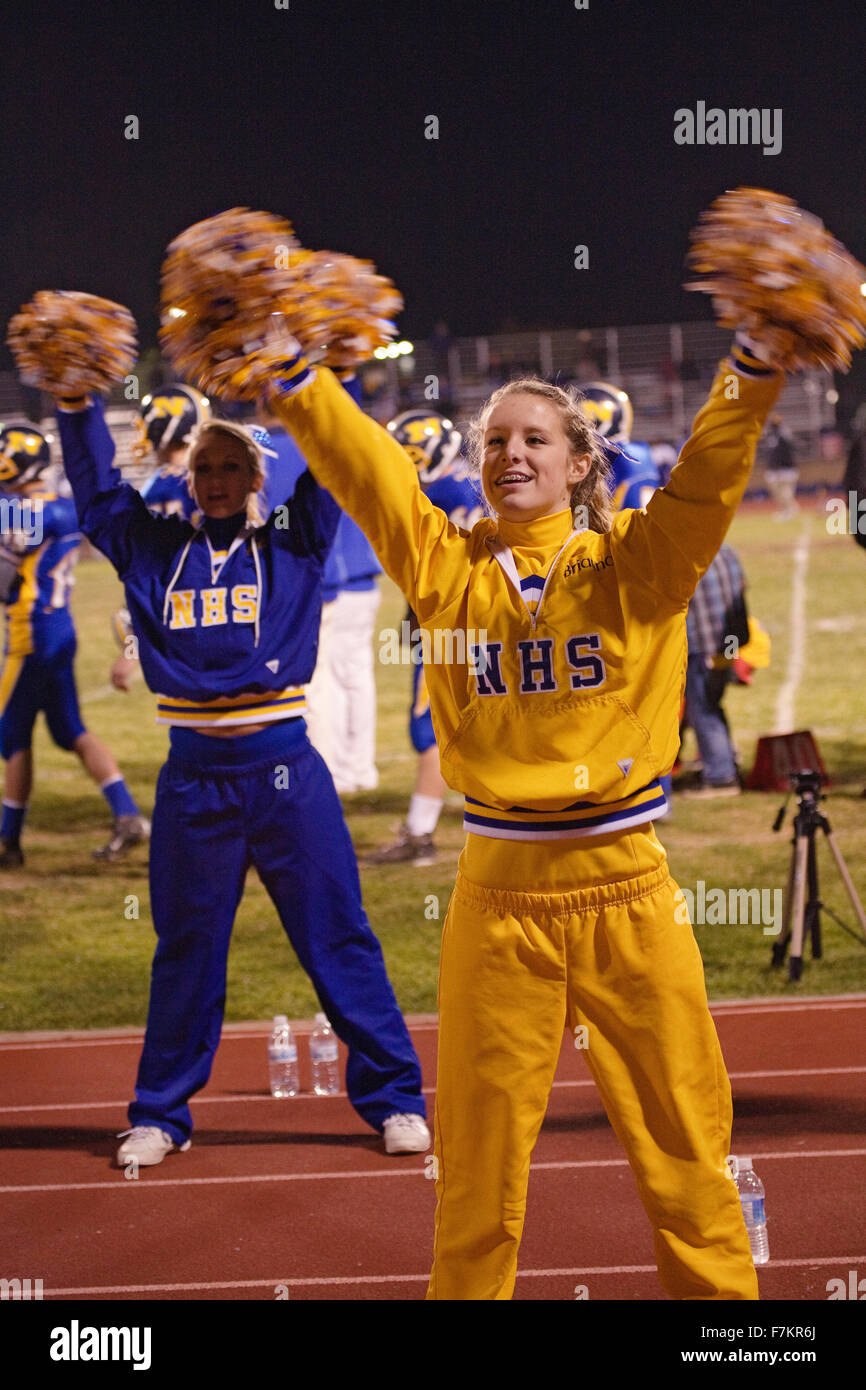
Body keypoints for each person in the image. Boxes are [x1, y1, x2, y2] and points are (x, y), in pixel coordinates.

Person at [265, 332, 783, 1300]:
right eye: (493, 438)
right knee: (475, 1165)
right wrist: (299, 383)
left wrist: (749, 370)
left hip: (626, 889)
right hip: (495, 900)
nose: (509, 453)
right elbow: (370, 472)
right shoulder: (444, 567)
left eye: (534, 439)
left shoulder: (636, 562)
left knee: (684, 1146)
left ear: (580, 461)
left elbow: (706, 482)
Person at [52, 390, 430, 1167]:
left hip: (286, 768)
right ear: (189, 480)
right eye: (205, 468)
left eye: (232, 467)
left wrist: (317, 374)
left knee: (337, 936)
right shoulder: (153, 549)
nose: (218, 479)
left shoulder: (292, 540)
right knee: (186, 949)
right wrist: (72, 402)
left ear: (258, 478)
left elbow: (338, 462)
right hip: (194, 777)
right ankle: (159, 1113)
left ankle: (394, 1098)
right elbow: (95, 492)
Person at [0, 422, 148, 866]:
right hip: (60, 629)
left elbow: (3, 576)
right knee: (70, 731)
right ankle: (127, 815)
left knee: (9, 731)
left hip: (31, 634)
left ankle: (8, 842)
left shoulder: (24, 511)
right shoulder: (59, 507)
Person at [366, 410, 484, 864]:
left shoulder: (439, 494)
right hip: (491, 624)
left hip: (451, 628)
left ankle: (420, 834)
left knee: (433, 727)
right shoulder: (475, 485)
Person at [678, 543, 749, 797]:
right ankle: (726, 760)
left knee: (703, 709)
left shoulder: (685, 553)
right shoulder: (726, 549)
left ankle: (721, 776)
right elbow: (743, 586)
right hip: (729, 643)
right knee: (713, 703)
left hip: (704, 643)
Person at [762, 412, 798, 519]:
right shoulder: (771, 435)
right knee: (777, 491)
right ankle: (787, 509)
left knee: (786, 492)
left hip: (786, 468)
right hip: (775, 469)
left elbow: (785, 452)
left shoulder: (784, 434)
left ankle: (789, 511)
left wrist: (780, 465)